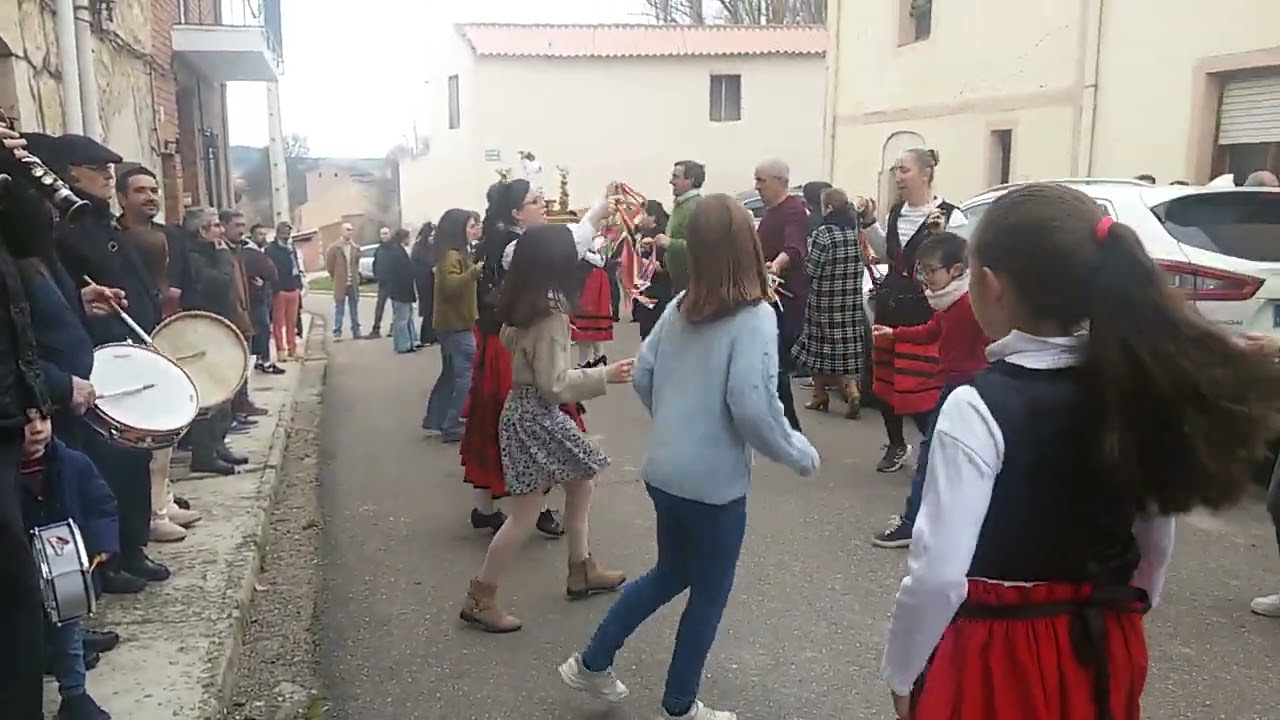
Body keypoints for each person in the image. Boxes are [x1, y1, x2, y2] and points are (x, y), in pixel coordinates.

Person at [880, 182, 1280, 720]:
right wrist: (1124, 611)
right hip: (1101, 640)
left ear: (990, 285)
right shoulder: (1132, 386)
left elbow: (938, 573)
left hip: (997, 651)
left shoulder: (975, 405)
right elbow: (1155, 543)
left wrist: (902, 670)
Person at [558, 194, 819, 720]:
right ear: (748, 246)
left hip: (666, 472)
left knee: (672, 572)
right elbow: (753, 406)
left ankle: (592, 661)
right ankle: (679, 703)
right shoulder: (754, 317)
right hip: (714, 484)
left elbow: (646, 375)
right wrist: (798, 452)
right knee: (709, 591)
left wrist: (677, 422)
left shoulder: (679, 308)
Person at [459, 223, 632, 633]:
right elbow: (553, 385)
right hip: (537, 413)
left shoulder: (522, 302)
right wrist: (605, 375)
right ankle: (481, 596)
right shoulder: (550, 312)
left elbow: (522, 358)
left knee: (580, 479)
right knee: (524, 513)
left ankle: (581, 567)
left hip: (523, 411)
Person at [36, 132, 170, 593]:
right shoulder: (65, 230)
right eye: (97, 169)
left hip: (125, 350)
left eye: (111, 170)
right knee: (107, 468)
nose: (107, 176)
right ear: (67, 173)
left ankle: (132, 548)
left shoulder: (102, 223)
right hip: (96, 360)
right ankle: (108, 561)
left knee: (133, 461)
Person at [461, 179, 610, 535]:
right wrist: (598, 210)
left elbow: (580, 249)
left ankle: (490, 508)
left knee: (493, 421)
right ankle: (534, 507)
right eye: (534, 201)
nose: (542, 206)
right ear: (516, 212)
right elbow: (572, 244)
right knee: (536, 423)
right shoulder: (514, 246)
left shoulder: (502, 240)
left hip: (500, 342)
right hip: (512, 349)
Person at [871, 231, 987, 548]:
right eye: (922, 270)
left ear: (956, 270)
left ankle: (913, 523)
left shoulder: (970, 303)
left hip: (969, 387)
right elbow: (932, 331)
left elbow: (992, 342)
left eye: (931, 270)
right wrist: (895, 334)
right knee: (942, 455)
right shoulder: (949, 301)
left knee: (934, 455)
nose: (925, 279)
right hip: (954, 385)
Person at [869, 147, 967, 473]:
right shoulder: (896, 212)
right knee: (886, 378)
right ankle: (896, 443)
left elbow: (962, 265)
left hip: (925, 307)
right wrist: (869, 225)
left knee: (922, 381)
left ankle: (937, 444)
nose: (897, 177)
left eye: (904, 170)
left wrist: (943, 237)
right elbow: (889, 254)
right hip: (892, 302)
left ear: (925, 174)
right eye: (896, 170)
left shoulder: (953, 215)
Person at [18, 411, 117, 720]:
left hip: (66, 572)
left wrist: (102, 544)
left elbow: (102, 504)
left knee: (69, 632)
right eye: (26, 422)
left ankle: (74, 696)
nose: (36, 429)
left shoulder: (74, 463)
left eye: (43, 419)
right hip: (18, 576)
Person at [178, 207, 249, 476]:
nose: (221, 230)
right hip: (203, 329)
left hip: (220, 325)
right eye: (217, 225)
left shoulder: (209, 253)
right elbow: (219, 283)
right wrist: (222, 255)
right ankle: (204, 453)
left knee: (224, 389)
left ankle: (219, 445)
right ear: (202, 230)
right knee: (209, 393)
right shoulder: (195, 256)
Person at [791, 187, 867, 419]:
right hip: (851, 302)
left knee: (819, 350)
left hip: (824, 301)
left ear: (829, 208)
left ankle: (820, 394)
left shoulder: (824, 233)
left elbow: (812, 268)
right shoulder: (855, 232)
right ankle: (852, 390)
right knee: (846, 350)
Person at [754, 158, 808, 432]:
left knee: (775, 366)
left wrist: (775, 265)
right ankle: (779, 425)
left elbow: (795, 248)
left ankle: (790, 430)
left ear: (779, 181)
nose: (757, 187)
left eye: (761, 180)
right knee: (768, 364)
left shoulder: (794, 210)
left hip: (785, 301)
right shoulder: (772, 211)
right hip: (767, 300)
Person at [424, 210, 480, 440]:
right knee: (463, 376)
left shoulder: (455, 255)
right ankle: (452, 422)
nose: (473, 231)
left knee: (450, 374)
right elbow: (451, 286)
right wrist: (475, 271)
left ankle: (437, 418)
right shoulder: (451, 257)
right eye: (470, 226)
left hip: (453, 324)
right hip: (456, 325)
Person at [653, 160, 704, 294]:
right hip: (678, 286)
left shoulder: (697, 207)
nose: (671, 181)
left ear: (691, 180)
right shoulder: (681, 205)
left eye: (676, 177)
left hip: (693, 288)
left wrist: (669, 243)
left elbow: (703, 247)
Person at [244, 223, 284, 374]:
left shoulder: (260, 252)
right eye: (260, 234)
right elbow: (269, 271)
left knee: (263, 330)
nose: (263, 237)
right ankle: (265, 361)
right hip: (255, 298)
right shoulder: (250, 254)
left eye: (264, 234)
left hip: (263, 295)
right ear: (252, 235)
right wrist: (265, 279)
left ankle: (261, 359)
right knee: (263, 329)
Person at [265, 221, 303, 360]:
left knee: (292, 322)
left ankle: (293, 349)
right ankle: (281, 350)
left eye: (288, 232)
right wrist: (275, 287)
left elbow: (296, 266)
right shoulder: (271, 250)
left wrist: (299, 284)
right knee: (278, 323)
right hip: (279, 289)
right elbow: (270, 269)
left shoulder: (291, 247)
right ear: (278, 233)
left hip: (293, 288)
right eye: (284, 232)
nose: (286, 235)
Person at [378, 228, 418, 353]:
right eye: (408, 237)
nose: (409, 240)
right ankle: (402, 345)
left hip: (402, 290)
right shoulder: (397, 252)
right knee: (402, 319)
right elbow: (401, 272)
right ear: (403, 238)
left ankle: (410, 342)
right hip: (401, 290)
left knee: (407, 317)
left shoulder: (400, 250)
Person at [325, 222, 362, 341]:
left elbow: (356, 264)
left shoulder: (355, 248)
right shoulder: (334, 248)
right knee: (339, 307)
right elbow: (330, 265)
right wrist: (336, 276)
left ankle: (356, 330)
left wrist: (356, 278)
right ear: (342, 231)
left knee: (354, 307)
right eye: (347, 230)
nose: (349, 232)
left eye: (351, 230)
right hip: (340, 282)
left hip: (353, 283)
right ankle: (337, 331)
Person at [411, 222, 438, 347]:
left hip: (434, 281)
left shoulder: (433, 247)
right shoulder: (419, 248)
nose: (432, 237)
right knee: (427, 308)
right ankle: (426, 336)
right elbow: (420, 265)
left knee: (434, 309)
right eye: (431, 235)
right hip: (424, 282)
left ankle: (434, 335)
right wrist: (431, 268)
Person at [368, 226, 395, 338]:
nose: (384, 236)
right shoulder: (379, 249)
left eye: (386, 233)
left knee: (395, 308)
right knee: (379, 307)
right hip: (382, 283)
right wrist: (377, 275)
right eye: (382, 234)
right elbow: (375, 263)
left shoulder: (394, 248)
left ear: (390, 234)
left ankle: (394, 329)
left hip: (394, 283)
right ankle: (376, 329)